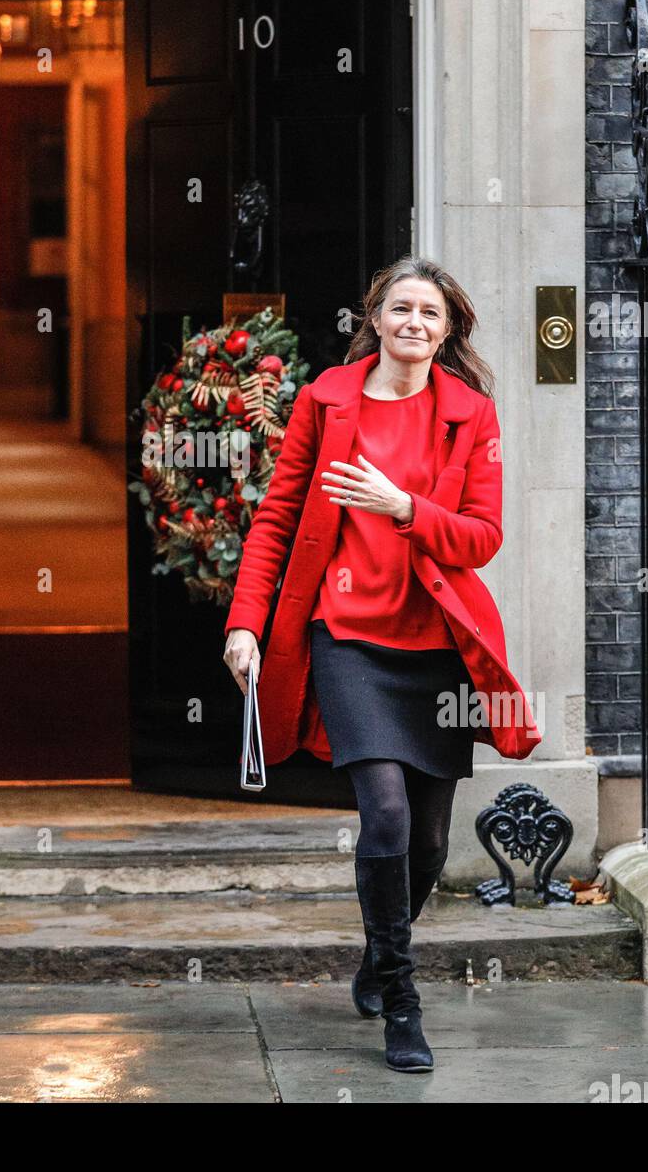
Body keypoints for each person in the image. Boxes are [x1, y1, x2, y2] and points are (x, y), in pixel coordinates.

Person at [222, 256, 521, 1074]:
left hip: (436, 649)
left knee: (426, 845)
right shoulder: (327, 402)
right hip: (346, 637)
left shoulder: (472, 416)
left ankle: (375, 956)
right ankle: (403, 1000)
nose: (414, 323)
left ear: (448, 328)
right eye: (400, 308)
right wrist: (246, 622)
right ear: (377, 318)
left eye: (430, 312)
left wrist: (405, 509)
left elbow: (483, 538)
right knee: (384, 815)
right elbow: (278, 519)